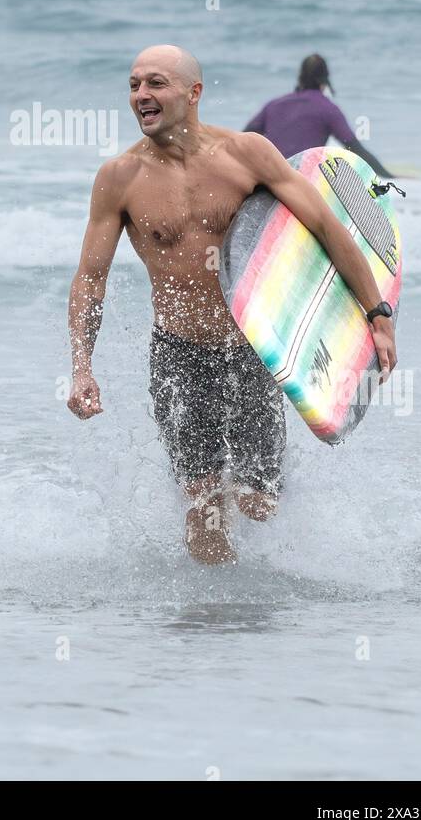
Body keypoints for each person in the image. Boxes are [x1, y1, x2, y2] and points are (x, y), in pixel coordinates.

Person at [66, 44, 397, 566]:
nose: (140, 96)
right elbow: (91, 278)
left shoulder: (247, 155)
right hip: (178, 354)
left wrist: (377, 316)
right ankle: (213, 622)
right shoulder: (120, 177)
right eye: (133, 85)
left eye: (155, 83)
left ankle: (258, 613)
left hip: (251, 349)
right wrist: (82, 365)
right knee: (203, 504)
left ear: (192, 93)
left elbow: (328, 228)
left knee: (259, 503)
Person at [244, 54, 392, 176]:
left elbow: (242, 138)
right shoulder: (327, 108)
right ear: (325, 80)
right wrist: (389, 177)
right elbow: (355, 149)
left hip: (267, 175)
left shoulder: (274, 105)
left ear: (300, 77)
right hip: (301, 181)